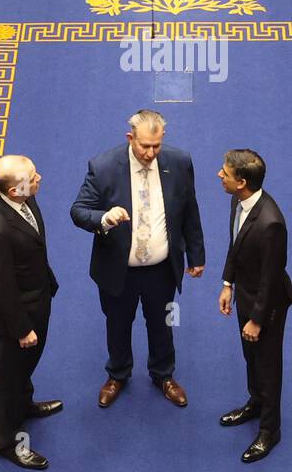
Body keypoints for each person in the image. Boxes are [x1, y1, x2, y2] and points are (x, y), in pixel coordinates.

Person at [70, 110, 206, 408]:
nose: (150, 153)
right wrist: (104, 217)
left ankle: (163, 374)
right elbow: (78, 211)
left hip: (162, 269)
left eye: (156, 146)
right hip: (118, 271)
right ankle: (118, 374)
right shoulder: (103, 166)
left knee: (162, 324)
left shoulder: (179, 162)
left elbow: (189, 211)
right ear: (130, 138)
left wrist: (196, 255)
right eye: (144, 146)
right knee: (118, 324)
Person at [0, 154, 62, 470]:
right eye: (33, 177)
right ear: (13, 191)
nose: (39, 178)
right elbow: (2, 285)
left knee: (25, 366)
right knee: (6, 379)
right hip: (15, 316)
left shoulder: (23, 197)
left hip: (37, 297)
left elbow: (33, 247)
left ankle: (24, 405)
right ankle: (8, 443)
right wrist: (22, 328)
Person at [217, 149, 292, 463]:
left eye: (225, 173)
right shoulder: (239, 200)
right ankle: (256, 402)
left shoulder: (271, 223)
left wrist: (258, 320)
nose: (219, 175)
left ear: (242, 182)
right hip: (246, 295)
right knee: (250, 355)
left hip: (268, 305)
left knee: (267, 364)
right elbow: (236, 244)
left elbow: (271, 278)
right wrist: (227, 283)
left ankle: (269, 430)